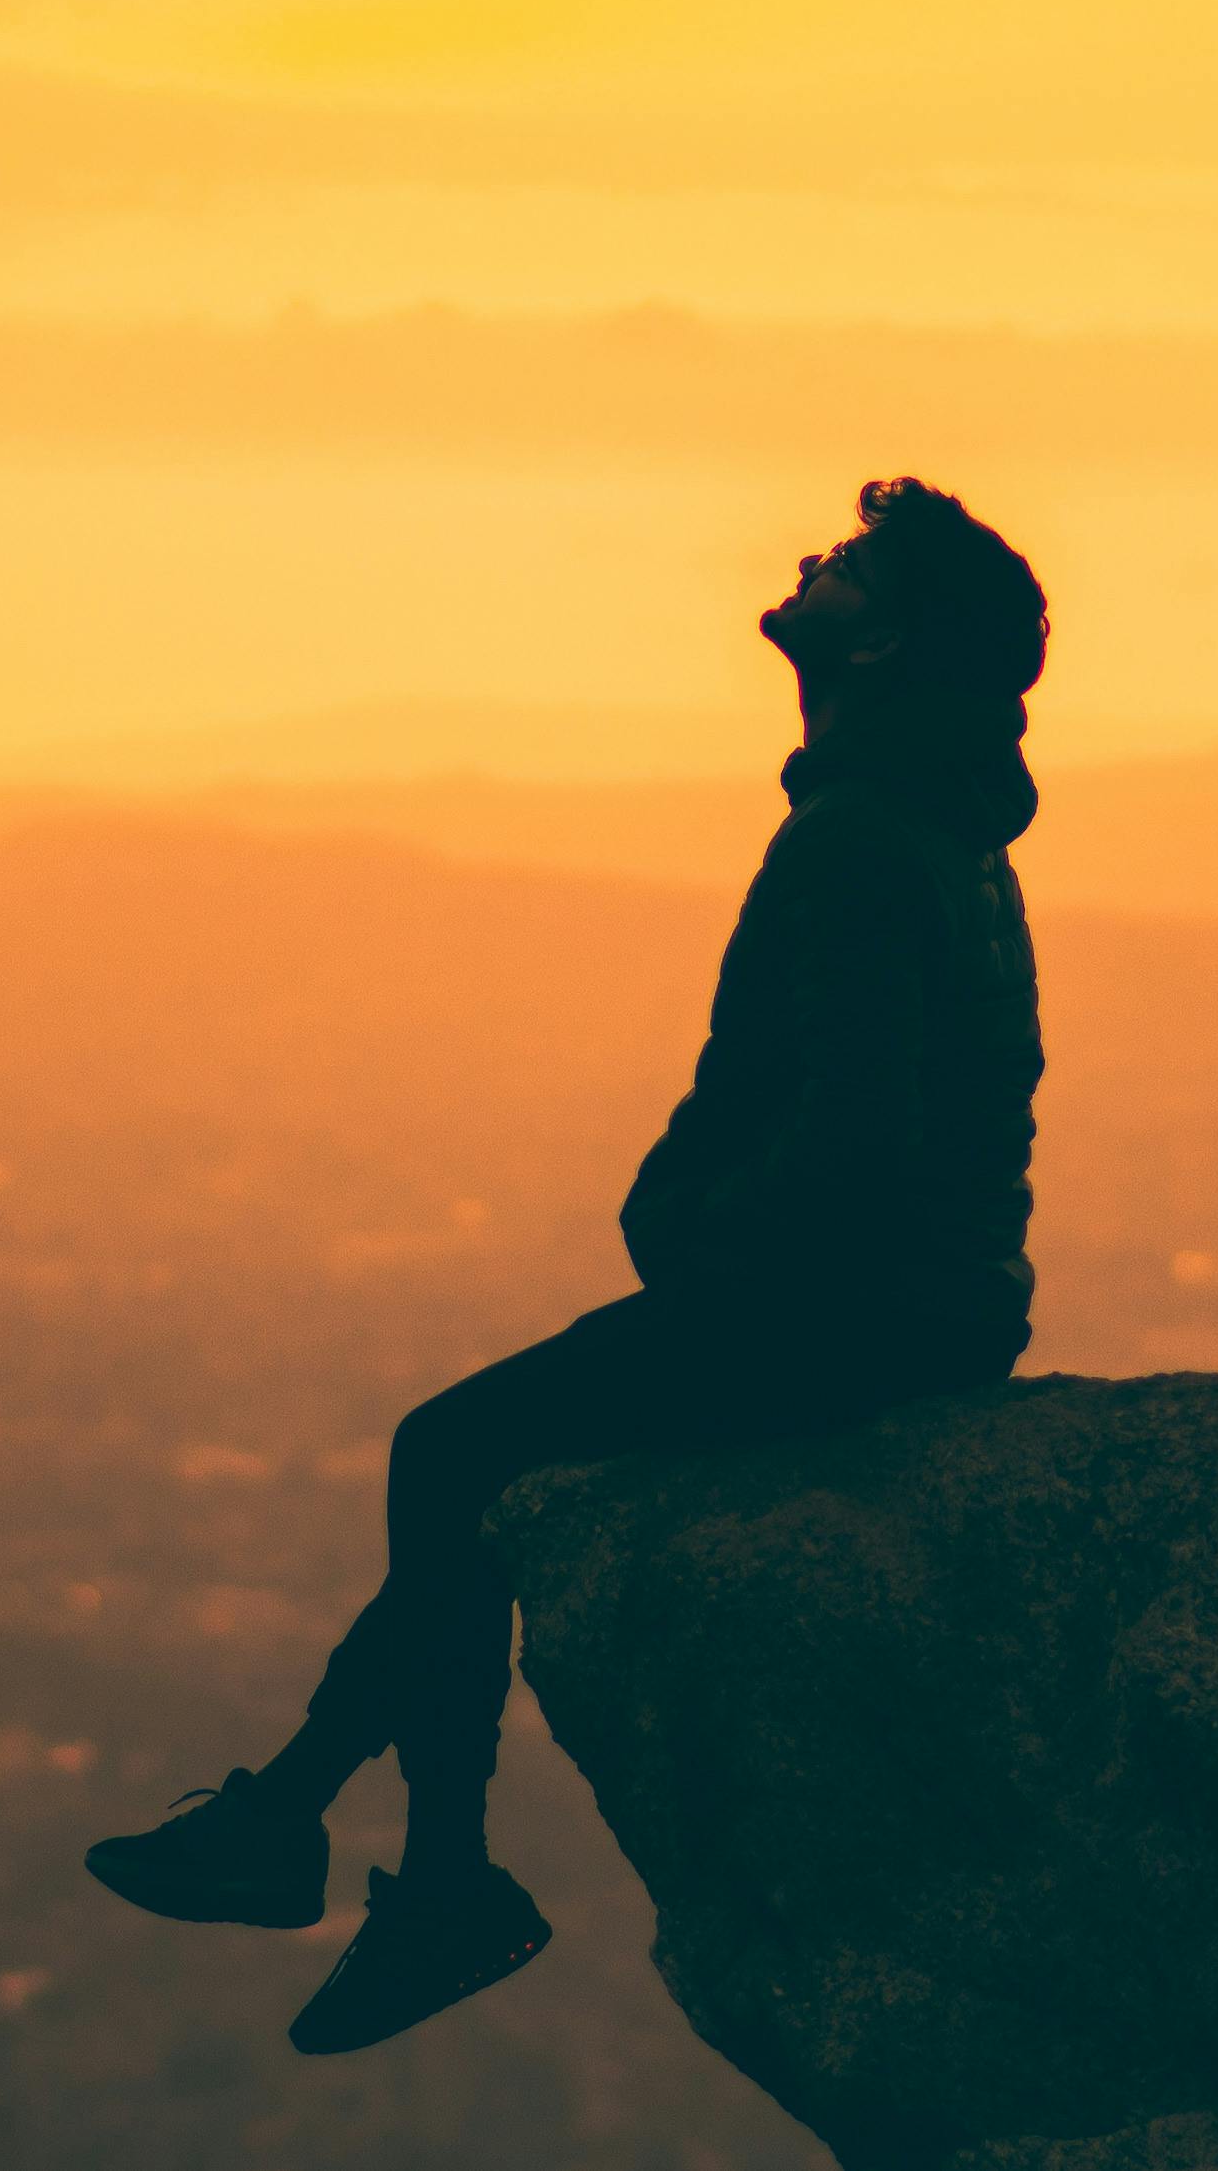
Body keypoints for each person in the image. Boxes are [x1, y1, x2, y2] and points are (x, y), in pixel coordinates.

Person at [84, 477, 1052, 2053]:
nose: (811, 562)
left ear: (882, 647)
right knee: (470, 1464)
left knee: (450, 1449)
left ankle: (417, 1869)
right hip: (913, 1306)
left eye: (849, 566)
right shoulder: (921, 821)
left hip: (839, 1313)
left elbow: (852, 1131)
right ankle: (302, 1821)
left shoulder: (862, 837)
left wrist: (679, 1228)